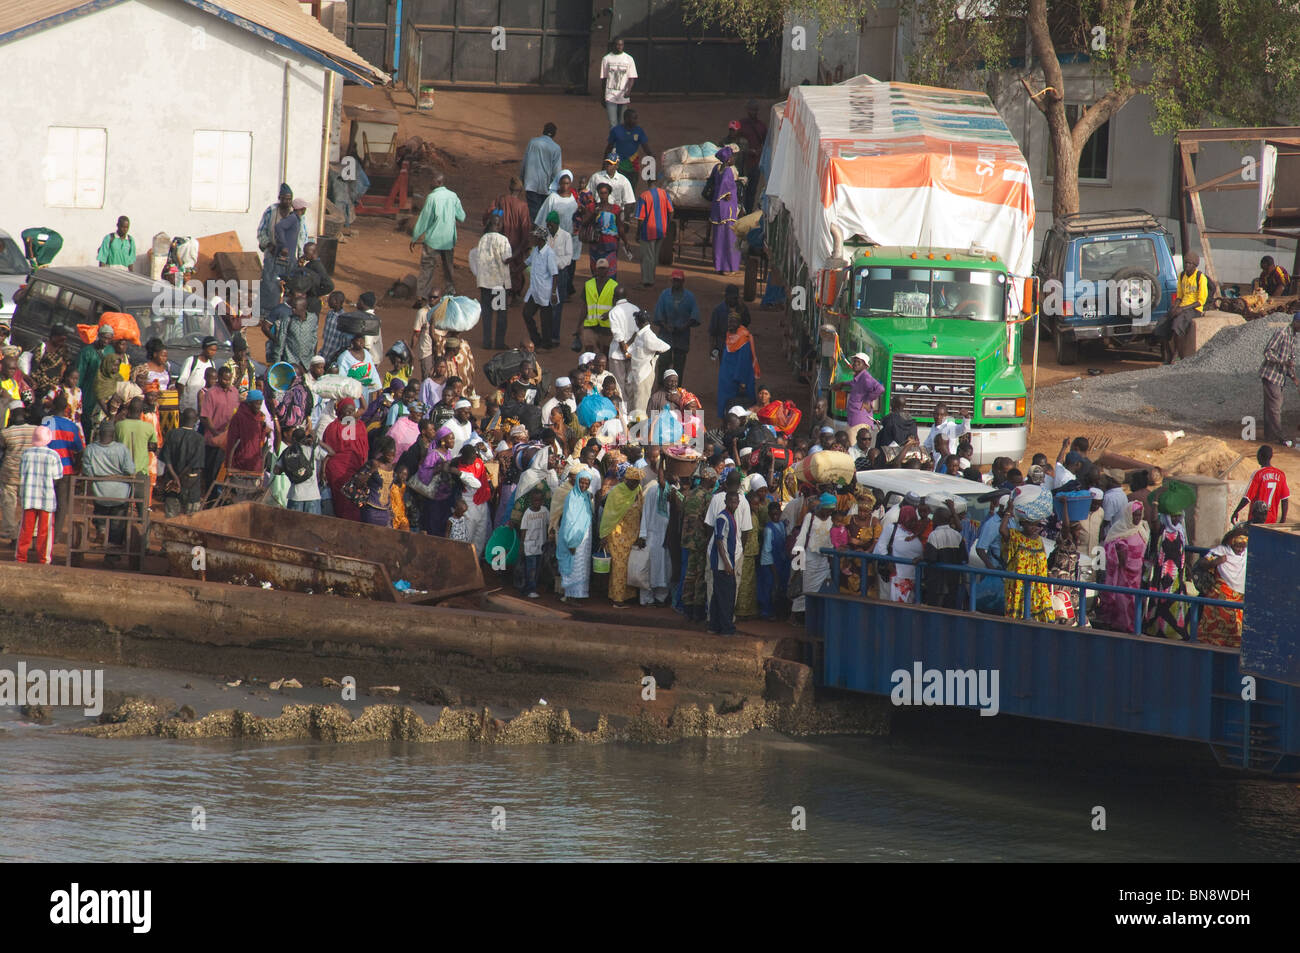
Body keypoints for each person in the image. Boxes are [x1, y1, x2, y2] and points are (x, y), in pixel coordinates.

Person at [81, 420, 137, 560]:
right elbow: (130, 470)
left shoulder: (90, 449)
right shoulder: (121, 449)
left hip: (100, 491)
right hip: (120, 493)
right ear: (113, 434)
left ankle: (101, 528)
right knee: (117, 523)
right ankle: (112, 554)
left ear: (100, 433)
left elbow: (87, 471)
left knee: (100, 511)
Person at [1096, 499, 1149, 633]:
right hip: (1122, 575)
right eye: (1135, 515)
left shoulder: (1142, 529)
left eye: (1139, 515)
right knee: (1122, 601)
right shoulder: (1119, 529)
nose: (1137, 518)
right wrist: (1118, 552)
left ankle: (1133, 627)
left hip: (1137, 575)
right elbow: (1109, 546)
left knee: (1134, 602)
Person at [410, 172, 466, 299]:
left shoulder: (432, 198)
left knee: (427, 268)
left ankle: (422, 296)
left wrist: (415, 236)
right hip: (448, 240)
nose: (430, 183)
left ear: (438, 182)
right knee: (448, 268)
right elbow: (462, 217)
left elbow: (424, 219)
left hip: (432, 240)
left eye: (432, 181)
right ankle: (450, 293)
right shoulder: (453, 196)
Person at [257, 185, 308, 317]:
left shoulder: (297, 214)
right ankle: (266, 314)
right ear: (279, 198)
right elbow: (261, 231)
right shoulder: (271, 211)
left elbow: (302, 235)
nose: (286, 201)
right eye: (284, 199)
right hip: (272, 255)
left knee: (289, 285)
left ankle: (285, 313)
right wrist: (268, 244)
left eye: (289, 199)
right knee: (270, 283)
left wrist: (302, 255)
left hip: (290, 258)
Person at [1197, 525, 1249, 647]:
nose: (1240, 549)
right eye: (1237, 545)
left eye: (1243, 546)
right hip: (1220, 593)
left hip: (1239, 596)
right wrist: (1216, 561)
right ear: (1231, 542)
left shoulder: (1247, 554)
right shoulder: (1220, 551)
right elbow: (1203, 562)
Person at [15, 426, 61, 563]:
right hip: (46, 498)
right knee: (44, 531)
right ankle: (44, 558)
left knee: (25, 529)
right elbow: (57, 476)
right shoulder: (53, 455)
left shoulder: (26, 454)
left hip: (28, 496)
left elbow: (21, 472)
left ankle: (21, 557)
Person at [40, 393, 83, 537]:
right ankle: (56, 535)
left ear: (52, 406)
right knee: (62, 503)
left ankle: (42, 534)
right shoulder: (72, 426)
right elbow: (79, 449)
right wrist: (77, 467)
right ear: (66, 409)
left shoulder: (46, 422)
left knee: (44, 501)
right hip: (66, 469)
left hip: (47, 467)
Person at [601, 466, 644, 606]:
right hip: (617, 534)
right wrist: (604, 535)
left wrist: (641, 534)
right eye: (632, 481)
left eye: (637, 482)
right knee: (619, 566)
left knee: (630, 565)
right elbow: (608, 515)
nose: (635, 484)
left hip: (633, 534)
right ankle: (617, 599)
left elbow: (642, 510)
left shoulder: (638, 491)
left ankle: (628, 596)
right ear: (626, 480)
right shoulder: (617, 492)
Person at [790, 491, 835, 618]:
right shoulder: (811, 517)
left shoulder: (832, 519)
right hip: (810, 558)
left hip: (824, 561)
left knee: (822, 588)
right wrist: (798, 559)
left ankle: (812, 617)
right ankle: (795, 616)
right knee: (805, 589)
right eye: (827, 509)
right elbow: (802, 537)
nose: (829, 513)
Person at [1159, 251, 1208, 363]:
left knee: (1177, 325)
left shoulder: (1200, 277)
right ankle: (1168, 353)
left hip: (1194, 309)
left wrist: (1182, 309)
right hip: (1182, 307)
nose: (1187, 265)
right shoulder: (1182, 276)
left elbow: (1201, 301)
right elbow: (1179, 296)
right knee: (1162, 323)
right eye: (1186, 263)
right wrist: (1174, 308)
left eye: (1190, 263)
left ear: (1195, 265)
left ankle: (1177, 354)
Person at [1259, 312, 1300, 446]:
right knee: (1275, 407)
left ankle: (1269, 436)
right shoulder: (1282, 333)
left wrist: (1294, 377)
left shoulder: (1293, 337)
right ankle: (1280, 437)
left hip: (1280, 377)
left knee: (1270, 407)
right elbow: (1268, 352)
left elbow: (1289, 361)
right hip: (1271, 375)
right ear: (1296, 322)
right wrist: (1282, 362)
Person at [557, 468, 598, 602]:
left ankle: (579, 594)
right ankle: (570, 596)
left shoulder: (587, 496)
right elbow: (569, 521)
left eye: (587, 483)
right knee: (574, 565)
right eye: (581, 483)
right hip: (574, 538)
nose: (584, 486)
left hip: (585, 537)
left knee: (583, 565)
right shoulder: (572, 497)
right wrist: (571, 541)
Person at [474, 213, 513, 350]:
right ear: (499, 224)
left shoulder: (483, 239)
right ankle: (499, 342)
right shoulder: (503, 240)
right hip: (499, 283)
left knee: (487, 313)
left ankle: (487, 341)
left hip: (485, 282)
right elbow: (506, 259)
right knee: (501, 314)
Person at [652, 270, 699, 383]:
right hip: (665, 335)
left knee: (679, 365)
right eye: (674, 280)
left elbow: (695, 316)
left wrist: (684, 326)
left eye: (678, 280)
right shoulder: (664, 295)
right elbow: (658, 314)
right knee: (663, 363)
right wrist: (665, 325)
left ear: (683, 281)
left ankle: (677, 389)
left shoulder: (690, 297)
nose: (676, 283)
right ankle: (661, 388)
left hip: (682, 337)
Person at [157, 408, 205, 518]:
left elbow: (166, 458)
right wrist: (179, 477)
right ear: (196, 420)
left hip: (171, 483)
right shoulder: (199, 439)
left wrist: (175, 477)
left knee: (171, 516)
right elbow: (194, 463)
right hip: (191, 482)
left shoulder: (171, 434)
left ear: (182, 418)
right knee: (192, 518)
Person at [198, 365, 239, 491]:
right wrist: (216, 433)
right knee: (212, 472)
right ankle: (210, 498)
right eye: (225, 379)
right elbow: (205, 417)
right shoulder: (211, 393)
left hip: (229, 440)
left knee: (226, 472)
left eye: (229, 379)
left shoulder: (234, 392)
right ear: (219, 378)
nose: (227, 382)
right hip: (213, 440)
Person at [637, 466, 673, 606]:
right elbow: (645, 513)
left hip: (666, 536)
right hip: (652, 535)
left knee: (665, 568)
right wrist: (643, 534)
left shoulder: (673, 491)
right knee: (649, 567)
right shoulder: (652, 490)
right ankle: (647, 598)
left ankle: (661, 597)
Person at [707, 490, 742, 635]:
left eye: (736, 502)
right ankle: (727, 628)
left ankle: (714, 626)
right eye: (731, 501)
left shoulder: (730, 516)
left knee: (717, 596)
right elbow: (719, 540)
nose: (734, 504)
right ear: (726, 502)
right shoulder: (722, 517)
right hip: (723, 564)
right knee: (726, 597)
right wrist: (727, 564)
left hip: (727, 562)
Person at [715, 310, 760, 420]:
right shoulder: (730, 336)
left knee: (740, 411)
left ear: (739, 323)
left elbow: (743, 364)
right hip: (726, 380)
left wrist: (742, 383)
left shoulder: (743, 339)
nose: (731, 324)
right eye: (730, 322)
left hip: (737, 381)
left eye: (734, 322)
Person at [522, 227, 560, 349]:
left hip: (546, 292)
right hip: (535, 290)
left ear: (540, 239)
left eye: (535, 237)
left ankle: (546, 345)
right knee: (527, 314)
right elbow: (527, 263)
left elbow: (555, 274)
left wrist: (553, 293)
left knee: (545, 320)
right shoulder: (536, 251)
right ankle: (536, 340)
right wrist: (513, 270)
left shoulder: (549, 253)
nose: (532, 239)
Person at [1232, 444, 1290, 524]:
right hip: (1271, 521)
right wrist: (1282, 521)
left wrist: (1236, 511)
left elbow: (1247, 497)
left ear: (1260, 456)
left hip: (1257, 520)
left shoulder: (1258, 474)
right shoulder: (1280, 475)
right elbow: (1285, 499)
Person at [75, 325, 116, 432]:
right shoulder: (87, 351)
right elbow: (80, 372)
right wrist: (76, 392)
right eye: (104, 338)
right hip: (88, 389)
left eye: (109, 339)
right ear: (99, 336)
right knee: (86, 417)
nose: (106, 341)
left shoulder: (110, 350)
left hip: (103, 391)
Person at [708, 146, 742, 274]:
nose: (733, 159)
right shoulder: (728, 171)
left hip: (717, 208)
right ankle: (730, 267)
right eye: (732, 156)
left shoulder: (716, 168)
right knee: (730, 238)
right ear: (728, 159)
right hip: (727, 209)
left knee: (718, 238)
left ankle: (719, 266)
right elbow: (727, 189)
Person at [635, 174, 673, 287]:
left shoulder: (644, 196)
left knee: (647, 257)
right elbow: (671, 211)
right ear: (656, 181)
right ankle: (651, 278)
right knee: (654, 256)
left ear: (647, 181)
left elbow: (640, 218)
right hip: (661, 230)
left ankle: (647, 281)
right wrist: (667, 224)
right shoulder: (664, 193)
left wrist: (638, 233)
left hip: (648, 231)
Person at [521, 123, 562, 221]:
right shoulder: (556, 148)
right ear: (554, 134)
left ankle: (533, 232)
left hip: (530, 184)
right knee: (543, 213)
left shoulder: (532, 142)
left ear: (543, 131)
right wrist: (554, 188)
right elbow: (556, 172)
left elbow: (524, 162)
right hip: (546, 187)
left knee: (533, 213)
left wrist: (522, 179)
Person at [226, 389, 269, 475]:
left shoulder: (259, 417)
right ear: (249, 403)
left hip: (254, 460)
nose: (258, 407)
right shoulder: (239, 417)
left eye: (260, 404)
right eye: (256, 403)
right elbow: (231, 440)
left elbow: (260, 439)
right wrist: (229, 462)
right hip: (240, 460)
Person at [582, 258, 618, 353]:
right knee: (589, 353)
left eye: (604, 268)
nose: (602, 270)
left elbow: (618, 307)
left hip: (607, 326)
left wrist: (609, 314)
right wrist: (578, 326)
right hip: (590, 325)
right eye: (600, 268)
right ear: (596, 270)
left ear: (608, 270)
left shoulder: (614, 286)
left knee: (605, 353)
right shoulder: (588, 285)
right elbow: (584, 306)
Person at [115, 397, 157, 479]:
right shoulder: (149, 427)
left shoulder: (119, 425)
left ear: (128, 410)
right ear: (141, 411)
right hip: (141, 471)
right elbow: (153, 447)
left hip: (122, 471)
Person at [599, 38, 637, 126]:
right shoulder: (606, 59)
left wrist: (628, 91)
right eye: (617, 44)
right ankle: (613, 139)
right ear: (613, 45)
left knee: (621, 122)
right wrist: (602, 95)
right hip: (610, 96)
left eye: (621, 45)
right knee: (613, 123)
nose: (619, 47)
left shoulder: (629, 59)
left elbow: (631, 78)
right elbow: (604, 79)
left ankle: (620, 139)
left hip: (623, 96)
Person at [291, 241, 334, 318]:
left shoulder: (317, 266)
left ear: (314, 252)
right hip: (308, 300)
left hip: (312, 302)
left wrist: (315, 293)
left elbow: (330, 285)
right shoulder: (310, 264)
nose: (304, 255)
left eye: (306, 253)